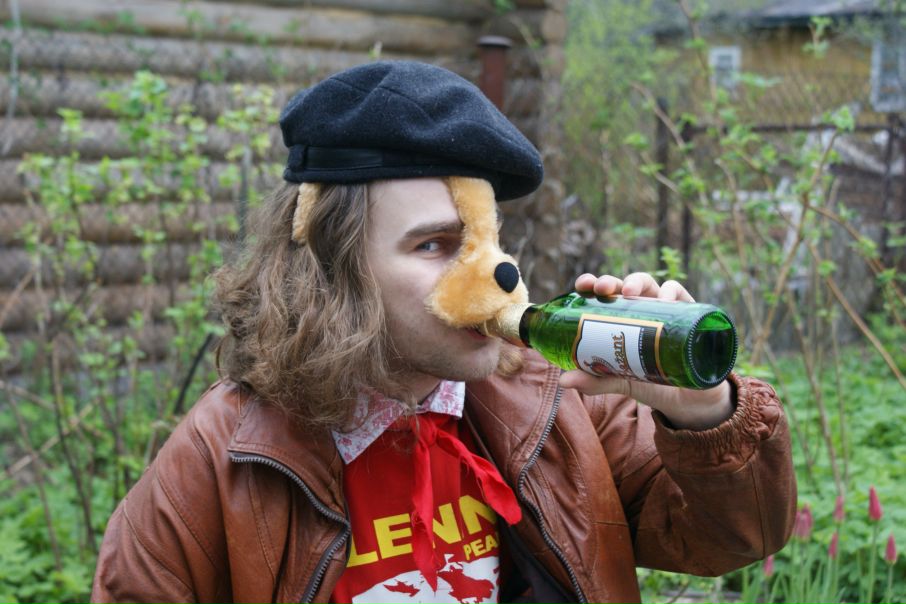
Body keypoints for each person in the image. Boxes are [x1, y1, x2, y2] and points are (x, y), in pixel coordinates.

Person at [91, 61, 796, 604]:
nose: (500, 274)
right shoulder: (222, 459)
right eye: (435, 244)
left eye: (489, 241)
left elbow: (738, 538)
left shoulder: (552, 403)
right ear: (332, 268)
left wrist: (701, 411)